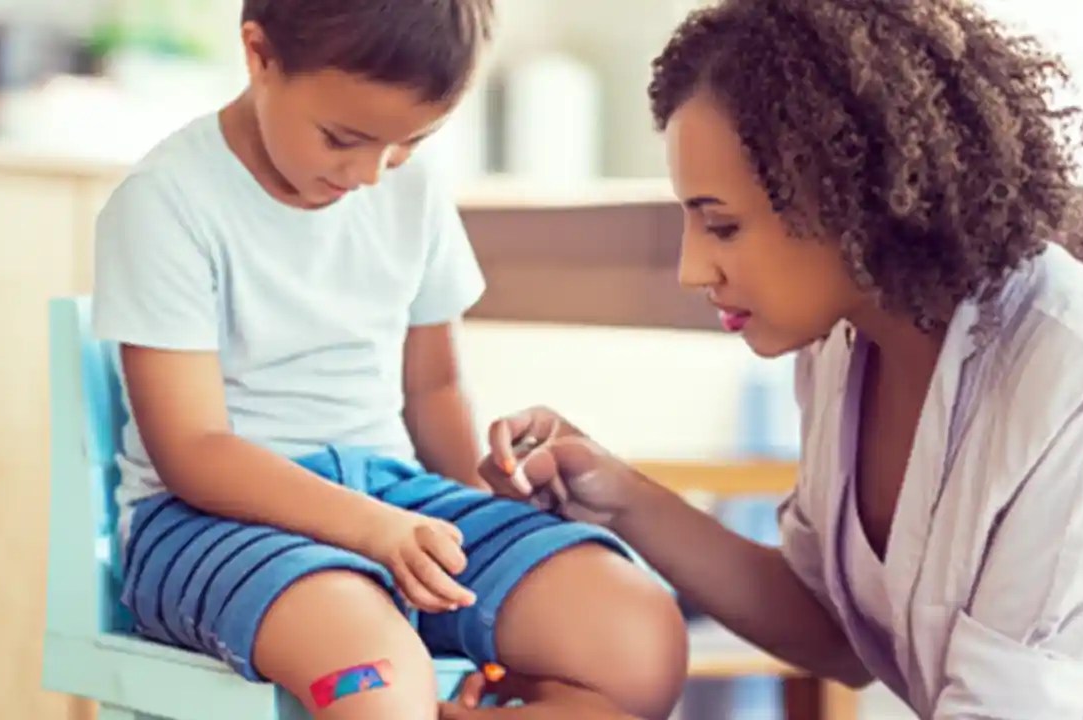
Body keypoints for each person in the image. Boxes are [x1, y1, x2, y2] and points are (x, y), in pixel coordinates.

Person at [449, 0, 1083, 717]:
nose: (694, 269)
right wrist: (620, 496)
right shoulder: (845, 341)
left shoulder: (1079, 382)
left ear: (847, 193)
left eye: (721, 226)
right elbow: (834, 632)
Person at [90, 2, 687, 718]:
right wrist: (371, 529)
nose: (372, 173)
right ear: (258, 54)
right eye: (343, 138)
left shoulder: (412, 185)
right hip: (205, 521)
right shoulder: (167, 202)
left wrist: (491, 491)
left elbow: (432, 389)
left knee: (639, 641)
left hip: (393, 498)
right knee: (375, 679)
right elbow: (193, 450)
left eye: (409, 141)